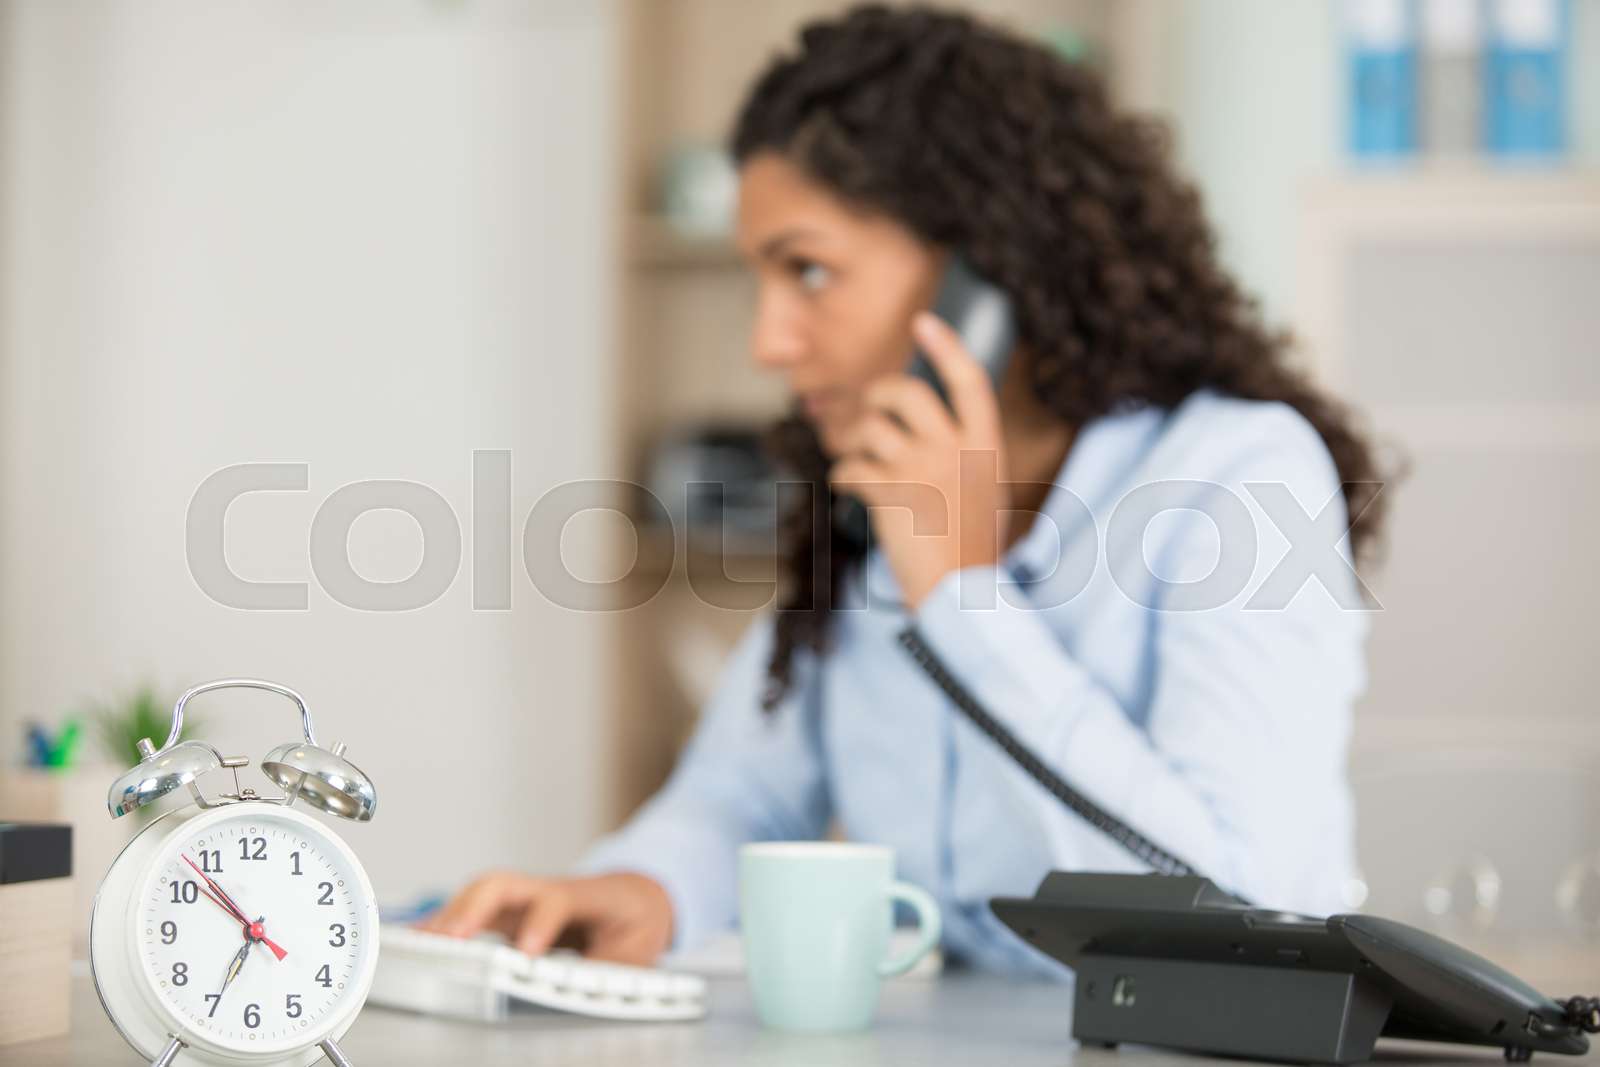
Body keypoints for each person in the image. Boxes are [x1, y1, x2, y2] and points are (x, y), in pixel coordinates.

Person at [422, 4, 1388, 977]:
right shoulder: (873, 496)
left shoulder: (1240, 473)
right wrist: (641, 888)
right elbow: (740, 793)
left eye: (808, 270)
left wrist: (962, 596)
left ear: (986, 272)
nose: (769, 341)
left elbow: (1235, 906)